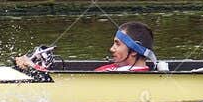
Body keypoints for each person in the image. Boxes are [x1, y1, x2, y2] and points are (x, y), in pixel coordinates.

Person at [13, 21, 157, 72]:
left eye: (117, 44)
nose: (111, 49)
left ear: (133, 51)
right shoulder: (119, 70)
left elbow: (68, 89)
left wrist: (33, 67)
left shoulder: (127, 76)